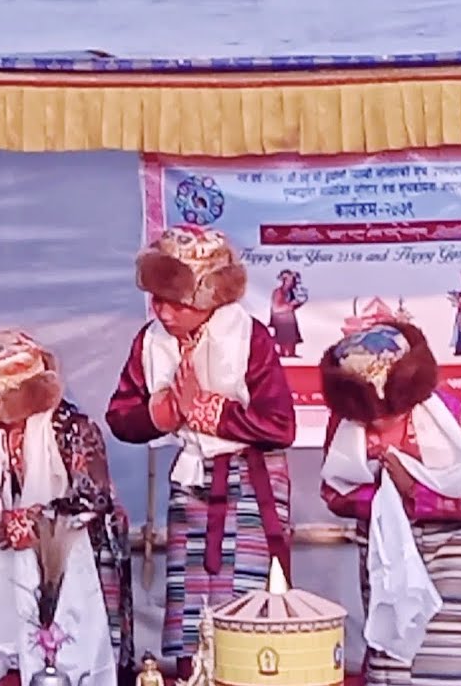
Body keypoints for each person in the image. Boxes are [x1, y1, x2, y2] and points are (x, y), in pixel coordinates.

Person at [104, 224, 296, 682]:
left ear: (209, 299)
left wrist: (209, 411)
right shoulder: (150, 341)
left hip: (252, 481)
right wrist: (166, 411)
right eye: (156, 299)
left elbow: (280, 425)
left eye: (176, 302)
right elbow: (120, 416)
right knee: (191, 614)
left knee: (248, 609)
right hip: (190, 481)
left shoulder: (250, 338)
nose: (163, 312)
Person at [319, 321, 461, 685]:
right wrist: (382, 494)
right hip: (382, 546)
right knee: (389, 659)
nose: (375, 426)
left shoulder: (454, 421)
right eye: (367, 419)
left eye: (385, 416)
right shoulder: (344, 426)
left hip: (449, 545)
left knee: (441, 663)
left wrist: (415, 492)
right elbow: (333, 494)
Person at [0, 329, 134, 686]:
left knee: (78, 644)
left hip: (79, 554)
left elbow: (95, 498)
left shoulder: (72, 427)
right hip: (13, 558)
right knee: (12, 644)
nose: (2, 421)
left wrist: (31, 519)